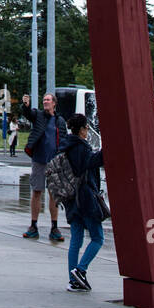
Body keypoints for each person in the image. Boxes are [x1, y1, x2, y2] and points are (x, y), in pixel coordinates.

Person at [58, 113, 105, 291]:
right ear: (82, 129)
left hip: (70, 199)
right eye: (86, 128)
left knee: (76, 240)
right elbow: (90, 163)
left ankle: (73, 280)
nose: (88, 131)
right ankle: (80, 270)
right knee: (98, 238)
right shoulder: (80, 147)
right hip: (85, 199)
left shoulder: (65, 146)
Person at [19, 91, 67, 241]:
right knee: (37, 192)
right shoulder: (38, 115)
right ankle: (33, 226)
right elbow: (28, 113)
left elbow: (64, 140)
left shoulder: (59, 121)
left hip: (54, 162)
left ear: (54, 103)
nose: (45, 102)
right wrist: (25, 105)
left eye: (48, 100)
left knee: (53, 194)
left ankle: (54, 227)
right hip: (39, 160)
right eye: (44, 100)